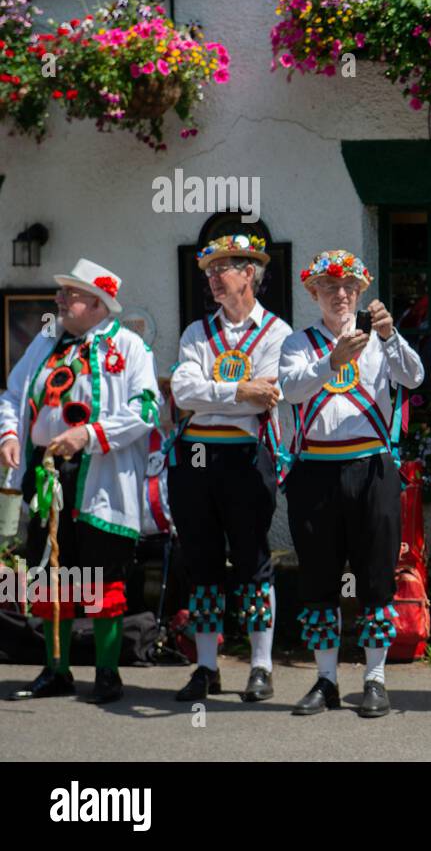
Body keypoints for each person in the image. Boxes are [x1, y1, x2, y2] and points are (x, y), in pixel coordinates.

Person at [0, 259, 158, 704]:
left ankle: (107, 673)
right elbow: (12, 394)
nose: (59, 300)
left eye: (69, 294)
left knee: (104, 576)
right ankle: (57, 670)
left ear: (96, 302)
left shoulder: (130, 348)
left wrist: (87, 435)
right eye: (63, 293)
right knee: (53, 576)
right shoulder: (46, 344)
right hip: (48, 476)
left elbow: (146, 410)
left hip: (101, 479)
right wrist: (9, 435)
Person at [279, 250, 424, 718]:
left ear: (360, 292)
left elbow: (415, 377)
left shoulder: (383, 339)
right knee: (319, 578)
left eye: (348, 288)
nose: (340, 295)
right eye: (329, 287)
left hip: (373, 468)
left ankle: (375, 679)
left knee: (376, 576)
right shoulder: (297, 344)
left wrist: (390, 334)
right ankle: (326, 681)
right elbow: (292, 389)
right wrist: (331, 361)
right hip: (315, 470)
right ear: (313, 292)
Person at [168, 234, 292, 702]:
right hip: (195, 458)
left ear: (249, 274)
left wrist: (218, 392)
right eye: (209, 271)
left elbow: (271, 394)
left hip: (246, 457)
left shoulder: (278, 334)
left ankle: (260, 666)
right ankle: (206, 667)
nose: (213, 277)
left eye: (223, 268)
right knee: (200, 564)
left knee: (252, 559)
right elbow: (183, 393)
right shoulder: (196, 332)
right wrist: (240, 392)